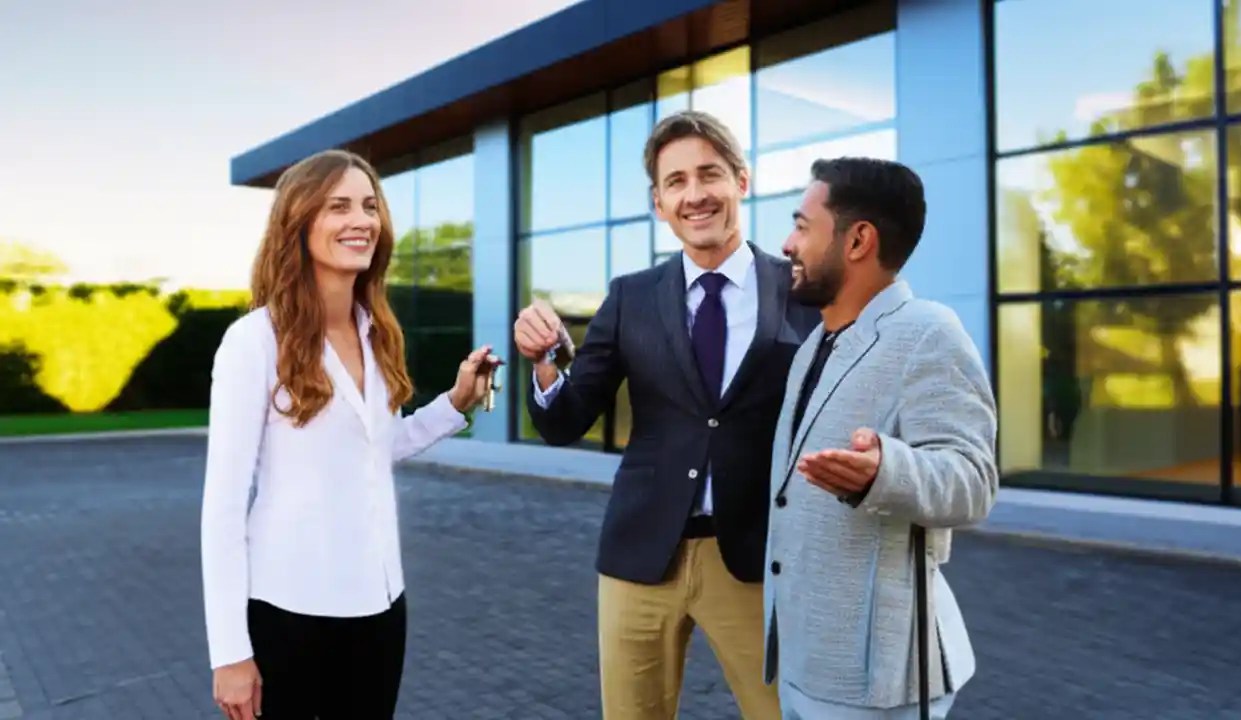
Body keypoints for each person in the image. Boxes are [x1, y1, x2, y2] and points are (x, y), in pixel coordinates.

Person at [514, 110, 820, 720]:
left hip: (757, 558)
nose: (695, 194)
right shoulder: (630, 295)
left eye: (709, 175)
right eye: (675, 182)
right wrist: (545, 364)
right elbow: (565, 420)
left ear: (742, 180)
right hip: (639, 559)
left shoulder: (801, 288)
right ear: (658, 203)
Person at [201, 149, 499, 720]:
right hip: (289, 612)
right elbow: (222, 507)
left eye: (369, 206)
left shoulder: (375, 331)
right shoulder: (253, 341)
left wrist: (456, 402)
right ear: (299, 220)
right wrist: (231, 654)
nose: (361, 220)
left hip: (382, 607)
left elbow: (377, 447)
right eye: (338, 206)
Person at [763, 157, 998, 719]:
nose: (787, 243)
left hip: (876, 682)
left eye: (802, 224)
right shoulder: (813, 345)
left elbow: (974, 480)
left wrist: (884, 471)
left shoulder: (927, 331)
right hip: (803, 659)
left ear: (858, 240)